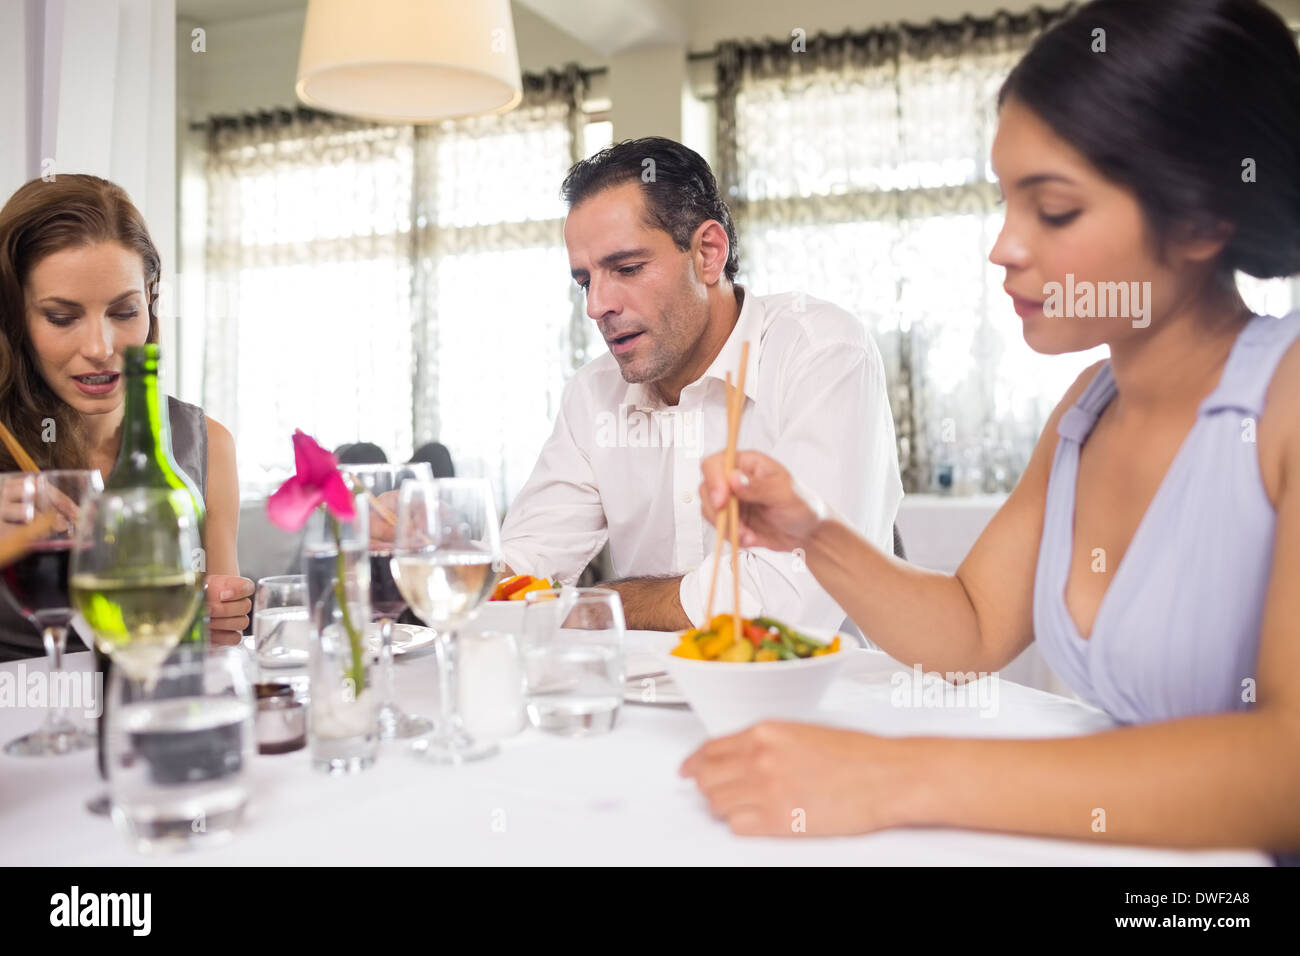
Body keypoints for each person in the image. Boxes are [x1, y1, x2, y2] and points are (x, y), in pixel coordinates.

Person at [681, 0, 1300, 855]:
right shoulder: (1091, 407)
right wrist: (811, 532)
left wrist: (890, 777)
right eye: (1006, 201)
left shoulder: (1287, 399)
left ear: (1202, 219)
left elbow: (1284, 768)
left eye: (1052, 211)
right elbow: (969, 630)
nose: (1003, 247)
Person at [497, 137, 902, 631]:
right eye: (585, 281)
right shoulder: (591, 394)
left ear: (708, 253)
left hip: (823, 697)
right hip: (647, 699)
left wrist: (602, 605)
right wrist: (445, 557)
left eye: (626, 268)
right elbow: (524, 563)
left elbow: (790, 598)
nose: (596, 305)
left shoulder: (821, 352)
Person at [0, 174, 253, 658]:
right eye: (61, 317)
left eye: (123, 312)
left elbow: (215, 636)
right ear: (16, 320)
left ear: (151, 304)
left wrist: (217, 614)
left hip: (149, 721)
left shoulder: (205, 445)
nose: (99, 348)